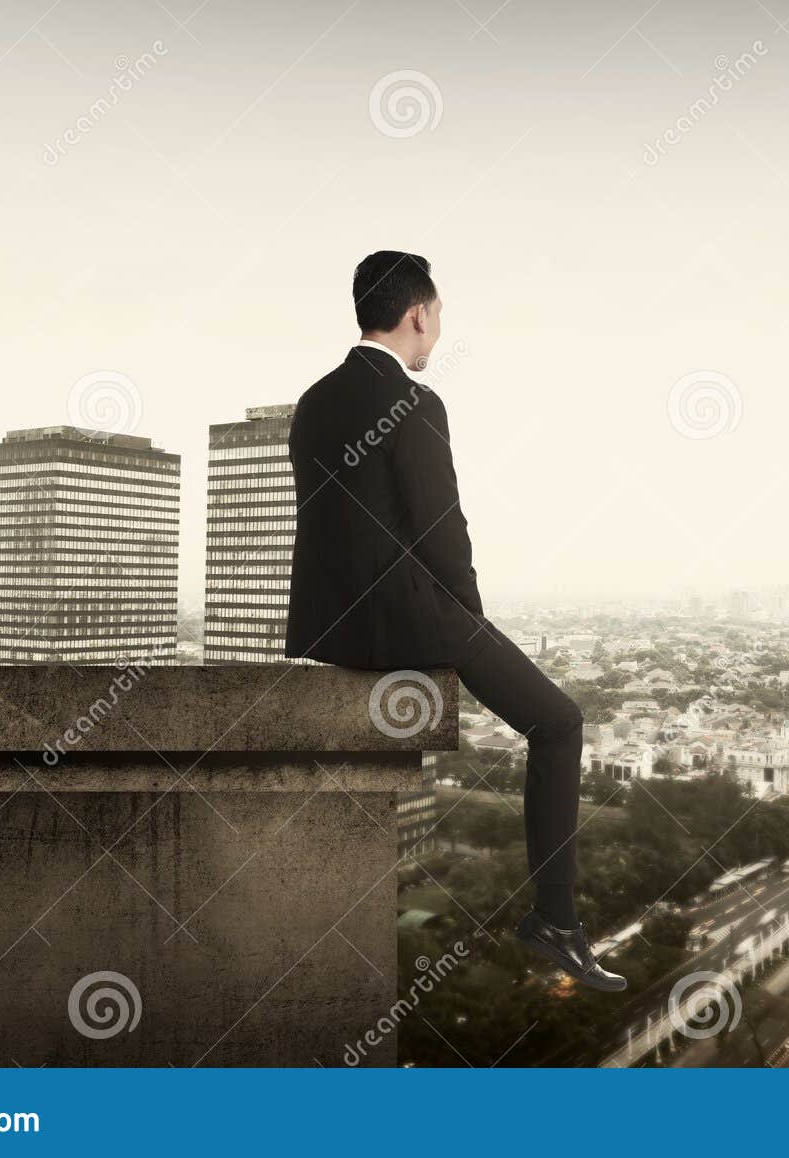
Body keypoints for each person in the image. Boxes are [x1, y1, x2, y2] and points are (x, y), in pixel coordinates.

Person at [285, 251, 624, 992]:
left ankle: (557, 921)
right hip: (405, 617)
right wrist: (471, 623)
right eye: (436, 320)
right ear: (417, 315)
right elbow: (442, 531)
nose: (434, 336)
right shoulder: (413, 403)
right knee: (559, 721)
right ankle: (555, 920)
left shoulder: (312, 401)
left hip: (325, 628)